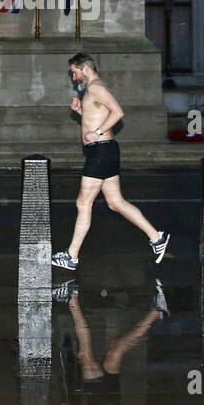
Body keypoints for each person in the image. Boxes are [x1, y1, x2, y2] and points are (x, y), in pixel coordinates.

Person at [52, 53, 169, 270]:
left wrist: (97, 131)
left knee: (83, 203)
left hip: (102, 152)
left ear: (84, 68)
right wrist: (80, 112)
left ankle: (71, 256)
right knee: (115, 203)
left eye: (74, 71)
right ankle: (157, 238)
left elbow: (118, 112)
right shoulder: (91, 89)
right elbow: (97, 116)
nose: (73, 76)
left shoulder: (96, 87)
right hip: (104, 151)